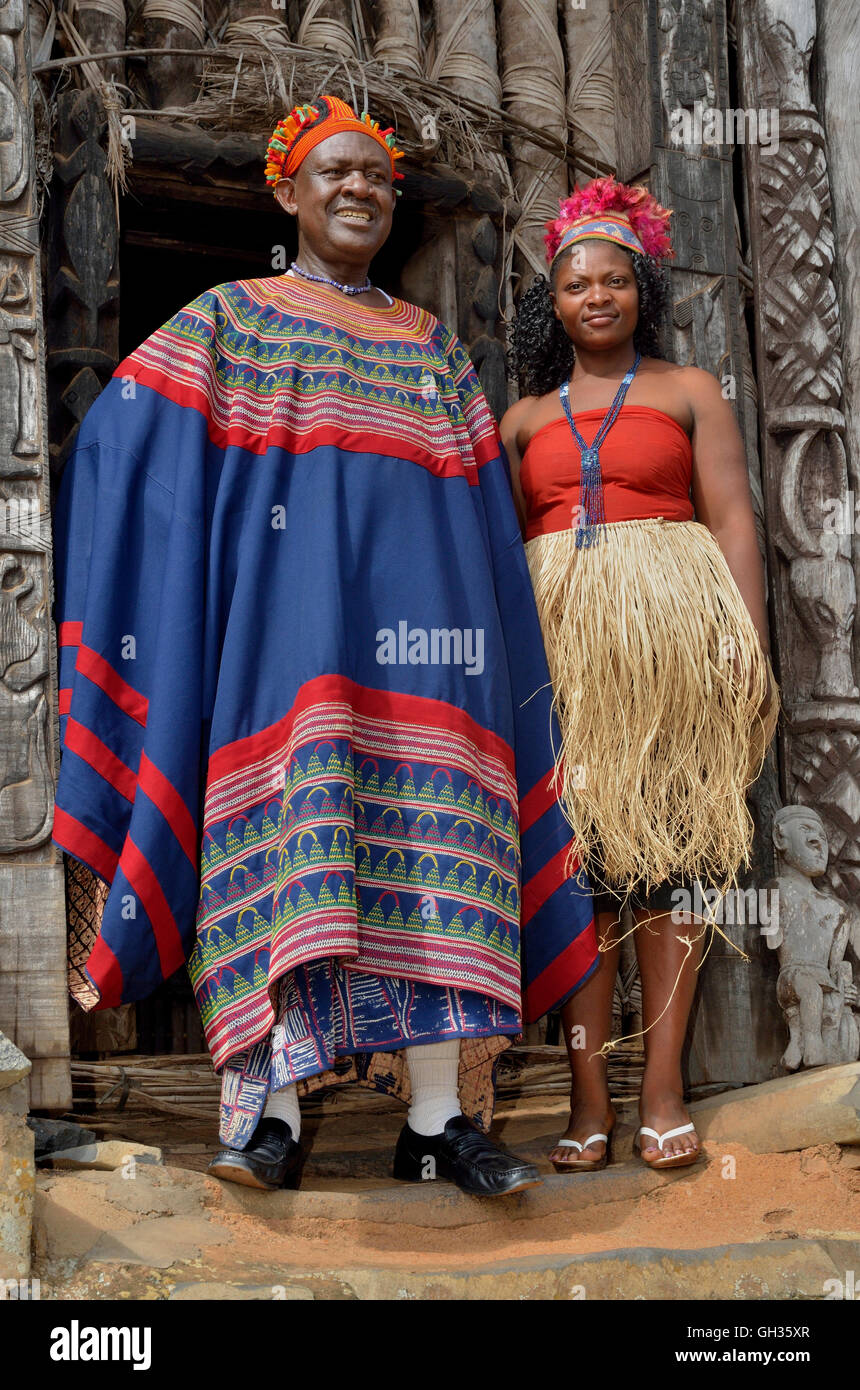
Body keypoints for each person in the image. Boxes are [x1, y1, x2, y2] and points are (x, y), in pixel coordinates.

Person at [52, 95, 598, 1196]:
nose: (358, 189)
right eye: (335, 171)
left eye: (377, 177)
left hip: (431, 674)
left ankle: (438, 1122)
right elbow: (119, 434)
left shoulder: (434, 349)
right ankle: (273, 1121)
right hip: (281, 659)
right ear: (287, 191)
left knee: (440, 867)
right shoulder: (228, 322)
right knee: (287, 866)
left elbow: (479, 524)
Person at [501, 177, 779, 1172]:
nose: (598, 298)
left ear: (638, 291)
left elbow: (734, 518)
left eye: (615, 281)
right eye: (578, 284)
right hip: (562, 662)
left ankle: (660, 1092)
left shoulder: (688, 391)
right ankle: (587, 1102)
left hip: (667, 657)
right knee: (579, 880)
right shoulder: (523, 418)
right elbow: (496, 550)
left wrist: (741, 646)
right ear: (556, 302)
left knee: (669, 870)